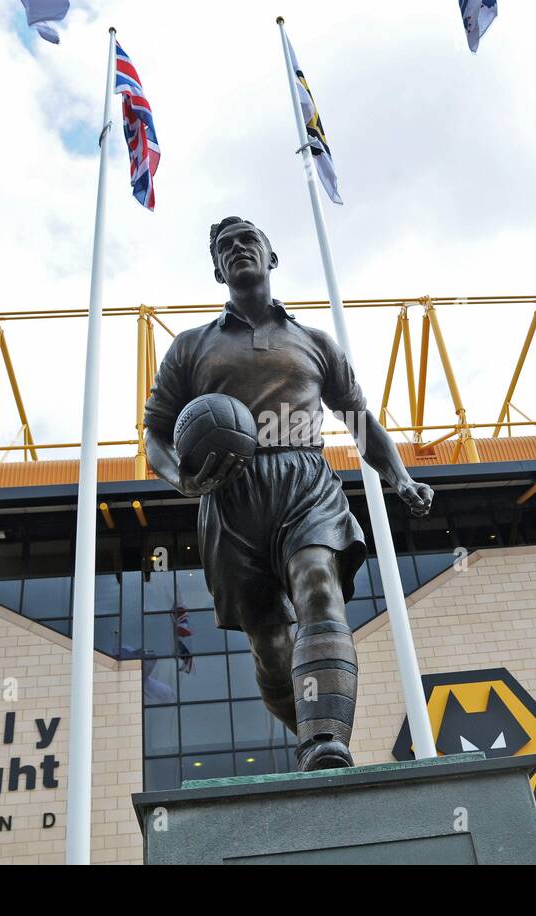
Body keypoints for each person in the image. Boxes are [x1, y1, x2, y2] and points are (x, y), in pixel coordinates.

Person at [142, 216, 434, 771]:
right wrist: (181, 478)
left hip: (303, 481)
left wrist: (401, 478)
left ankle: (328, 740)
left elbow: (360, 422)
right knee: (270, 648)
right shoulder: (189, 347)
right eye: (225, 247)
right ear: (216, 268)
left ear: (271, 257)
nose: (237, 250)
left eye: (248, 240)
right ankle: (310, 734)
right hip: (229, 497)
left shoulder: (315, 342)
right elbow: (155, 432)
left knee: (319, 587)